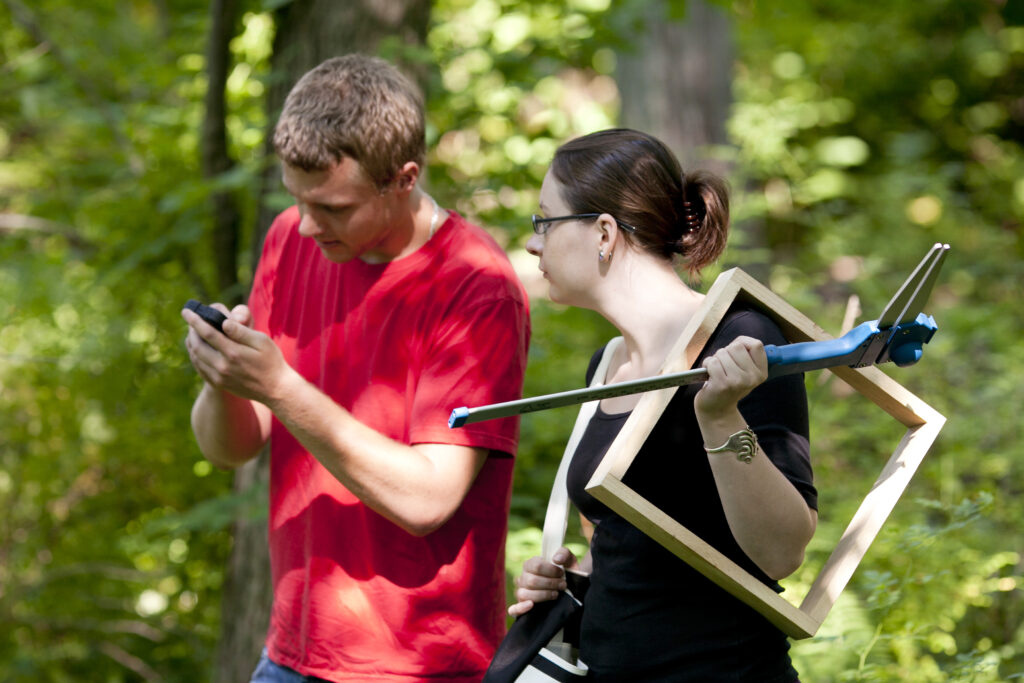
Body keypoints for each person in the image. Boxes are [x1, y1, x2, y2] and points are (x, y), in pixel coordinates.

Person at [182, 54, 530, 682]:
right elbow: (231, 448)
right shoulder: (290, 239)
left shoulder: (476, 286)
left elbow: (428, 498)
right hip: (291, 651)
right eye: (297, 199)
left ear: (403, 178)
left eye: (334, 208)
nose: (309, 224)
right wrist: (222, 379)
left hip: (420, 664)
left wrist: (281, 387)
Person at [511, 128, 816, 682]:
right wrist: (573, 578)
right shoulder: (607, 365)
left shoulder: (739, 338)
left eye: (544, 222)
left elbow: (783, 550)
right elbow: (634, 544)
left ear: (603, 232)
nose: (533, 244)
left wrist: (720, 416)